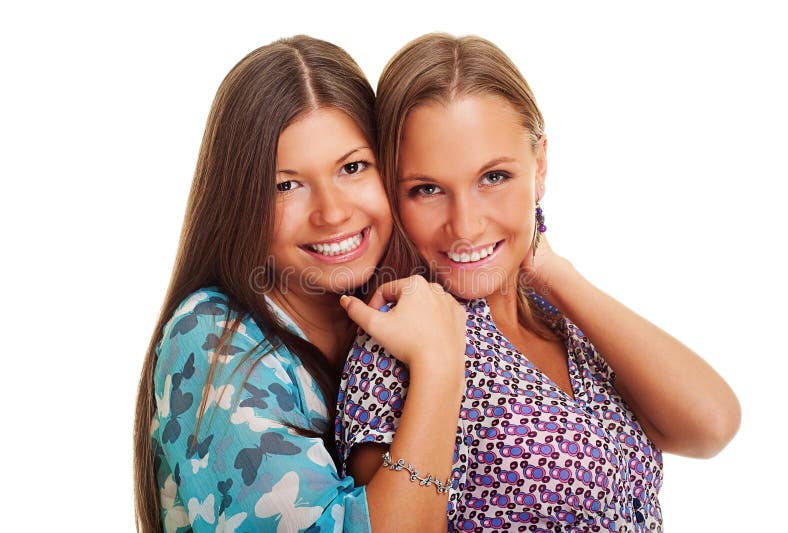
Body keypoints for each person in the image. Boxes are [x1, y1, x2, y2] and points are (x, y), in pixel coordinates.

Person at [336, 33, 741, 532]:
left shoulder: (563, 324)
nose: (464, 224)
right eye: (427, 189)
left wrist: (552, 273)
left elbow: (711, 426)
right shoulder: (395, 345)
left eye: (494, 178)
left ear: (540, 166)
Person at [133, 35, 467, 533]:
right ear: (239, 199)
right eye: (286, 185)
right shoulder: (210, 338)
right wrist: (441, 367)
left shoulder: (411, 307)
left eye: (352, 167)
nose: (332, 212)